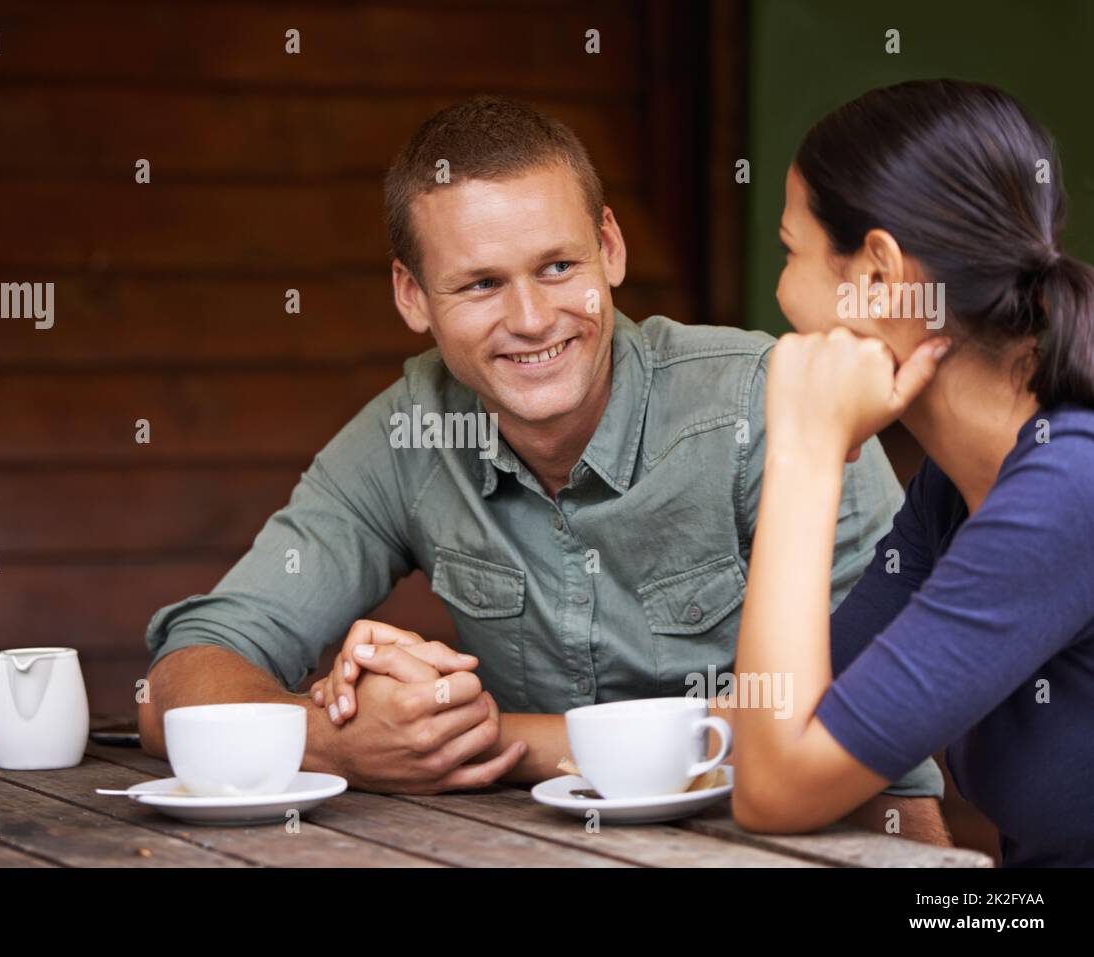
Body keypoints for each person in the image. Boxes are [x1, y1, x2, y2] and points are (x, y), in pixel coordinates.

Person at [139, 95, 945, 838]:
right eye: (482, 283)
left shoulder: (770, 408)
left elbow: (886, 764)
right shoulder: (405, 435)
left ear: (610, 249)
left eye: (558, 266)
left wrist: (481, 732)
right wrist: (343, 740)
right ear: (413, 296)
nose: (530, 320)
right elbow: (178, 680)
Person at [731, 79, 1094, 866]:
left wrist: (804, 450)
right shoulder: (955, 489)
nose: (778, 292)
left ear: (878, 276)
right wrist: (466, 730)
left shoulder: (1070, 487)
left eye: (790, 254)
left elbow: (774, 787)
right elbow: (777, 728)